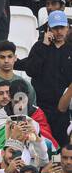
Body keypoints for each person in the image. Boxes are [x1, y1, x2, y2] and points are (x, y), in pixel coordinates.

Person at [18, 9, 72, 142]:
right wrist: (44, 46)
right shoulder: (39, 47)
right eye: (55, 28)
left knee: (63, 145)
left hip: (64, 107)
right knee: (41, 142)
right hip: (42, 106)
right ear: (49, 29)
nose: (59, 31)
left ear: (67, 28)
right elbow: (31, 70)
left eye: (62, 27)